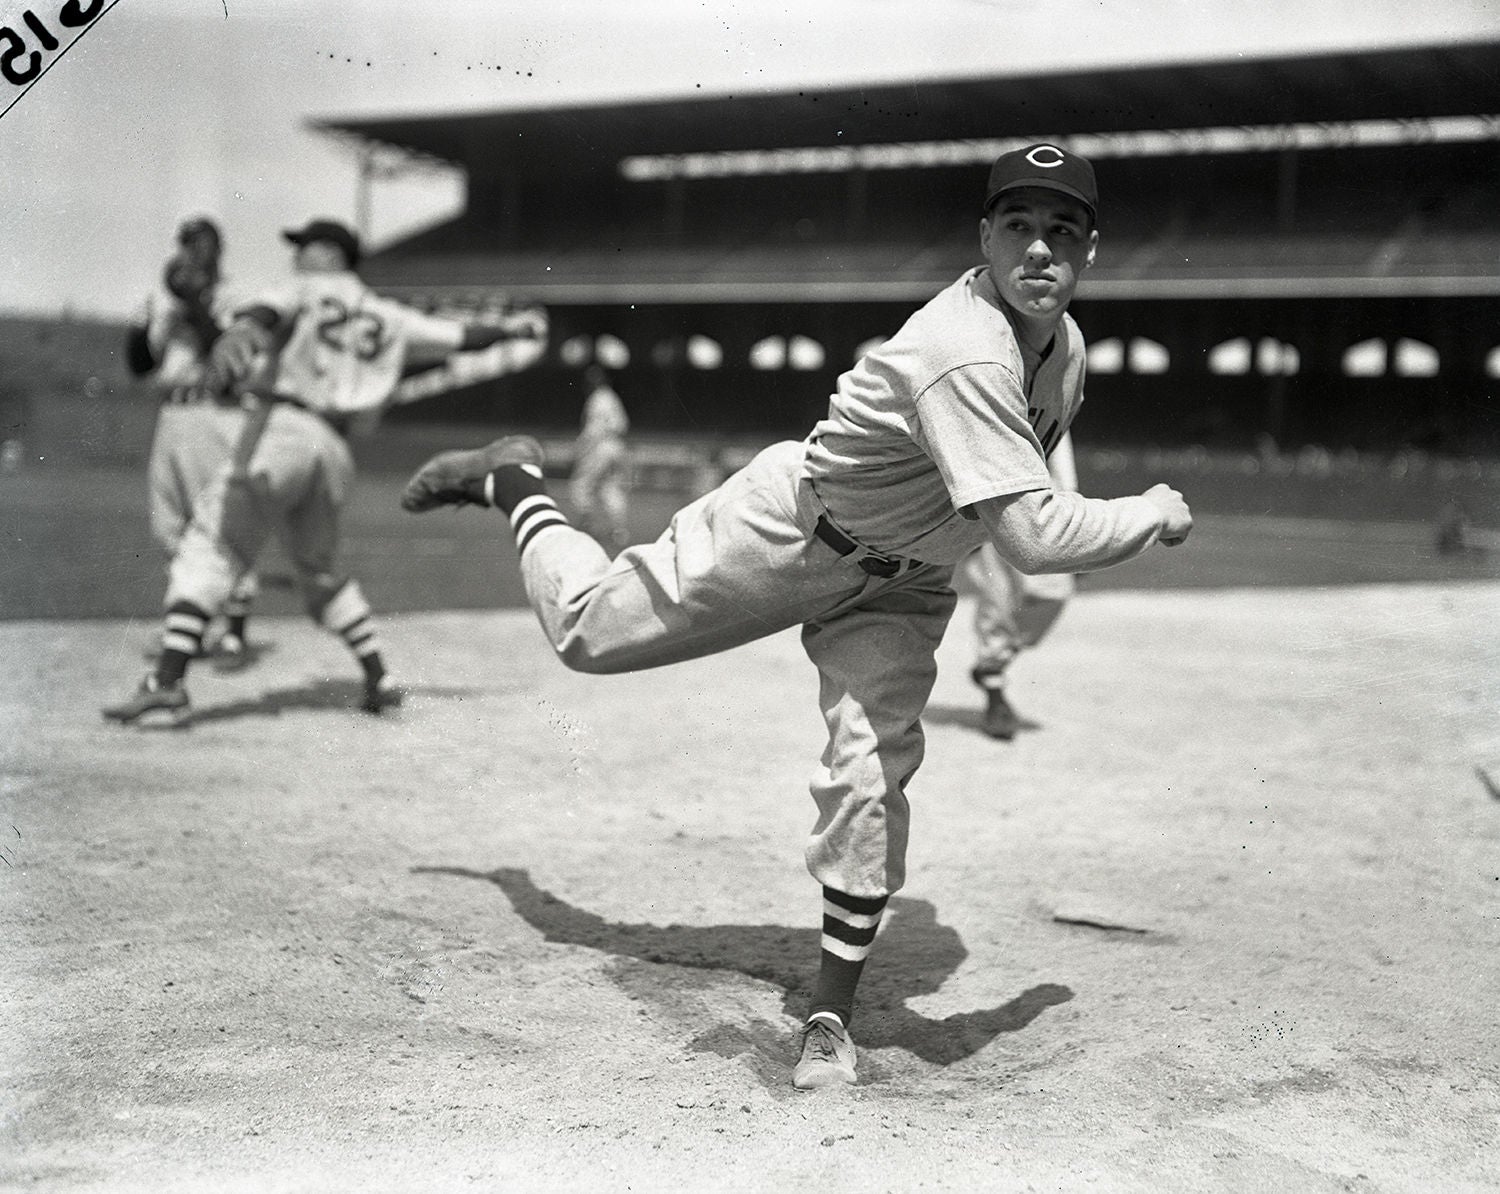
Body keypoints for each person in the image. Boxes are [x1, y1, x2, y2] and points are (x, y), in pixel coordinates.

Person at [400, 145, 1192, 1090]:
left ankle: (828, 1017)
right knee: (588, 631)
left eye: (1061, 231)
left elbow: (1003, 514)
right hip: (796, 529)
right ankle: (514, 480)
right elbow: (1031, 537)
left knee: (870, 774)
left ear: (1089, 253)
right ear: (983, 237)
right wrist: (1148, 512)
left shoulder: (1067, 355)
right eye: (1017, 225)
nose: (1037, 250)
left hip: (907, 586)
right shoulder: (964, 349)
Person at [103, 217, 546, 726]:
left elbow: (265, 314)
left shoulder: (301, 287)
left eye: (305, 246)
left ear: (328, 251)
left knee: (211, 544)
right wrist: (513, 329)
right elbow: (463, 336)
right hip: (334, 448)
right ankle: (378, 676)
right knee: (319, 572)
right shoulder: (384, 312)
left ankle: (166, 682)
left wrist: (245, 329)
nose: (297, 255)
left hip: (281, 430)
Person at [123, 216, 260, 669]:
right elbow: (142, 364)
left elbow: (229, 357)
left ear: (217, 251)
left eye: (199, 246)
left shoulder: (236, 298)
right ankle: (190, 627)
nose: (190, 254)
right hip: (172, 415)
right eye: (185, 245)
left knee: (220, 520)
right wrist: (140, 328)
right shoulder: (167, 297)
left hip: (216, 412)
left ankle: (236, 633)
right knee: (168, 526)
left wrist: (194, 305)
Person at [966, 428, 1077, 739]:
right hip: (991, 494)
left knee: (1053, 593)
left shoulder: (1053, 382)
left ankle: (995, 658)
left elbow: (1060, 445)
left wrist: (1071, 504)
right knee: (997, 599)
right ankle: (994, 685)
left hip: (1043, 498)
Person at [568, 364, 631, 555]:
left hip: (601, 447)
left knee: (579, 486)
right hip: (617, 446)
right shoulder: (611, 397)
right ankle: (619, 531)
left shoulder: (597, 399)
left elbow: (593, 430)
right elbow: (623, 424)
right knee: (609, 488)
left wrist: (579, 449)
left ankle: (587, 527)